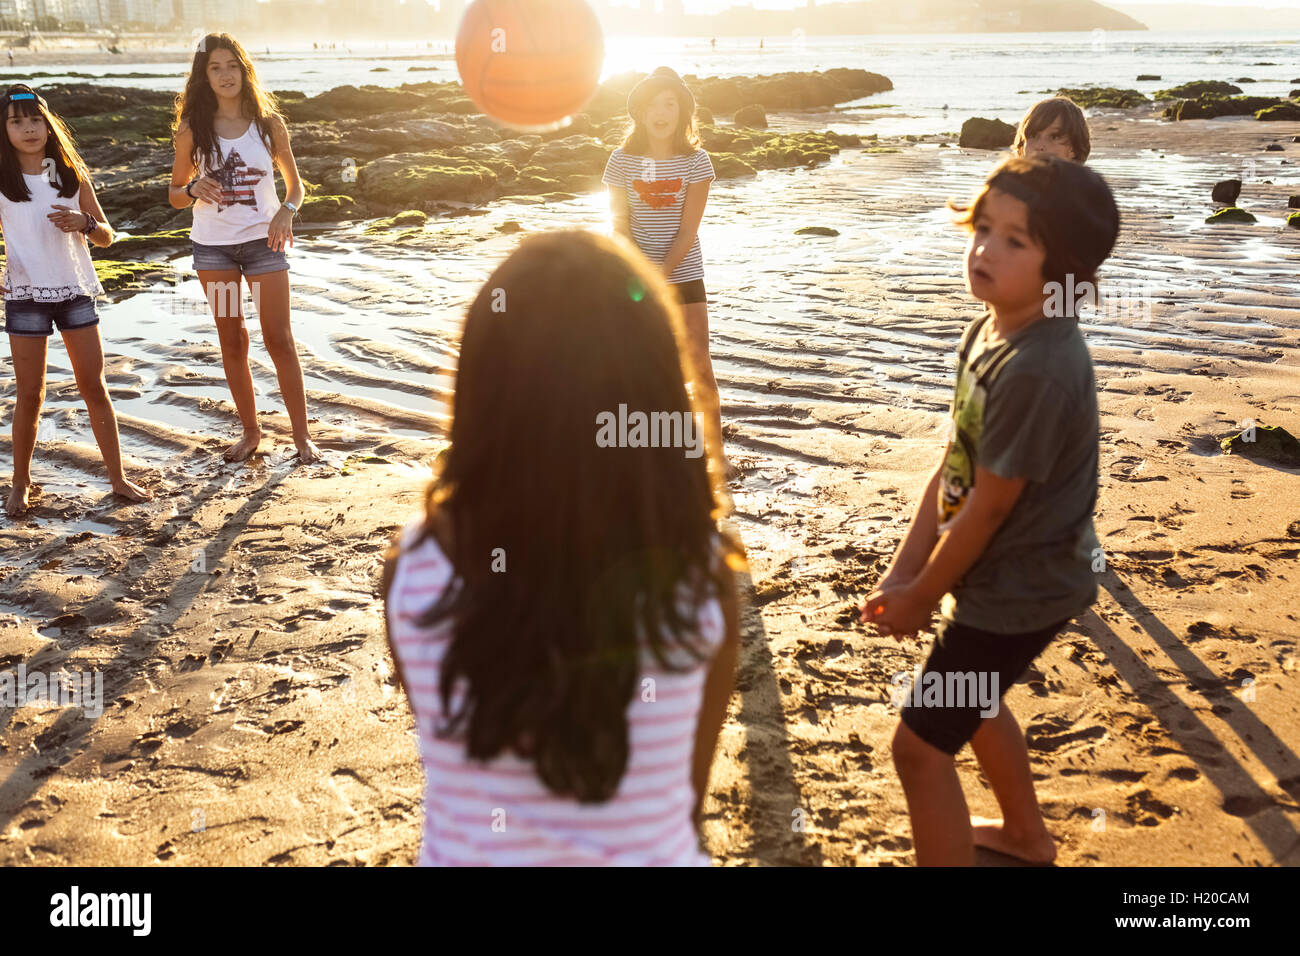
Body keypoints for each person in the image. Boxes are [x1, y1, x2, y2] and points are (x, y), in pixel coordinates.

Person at [382, 229, 743, 866]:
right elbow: (685, 803)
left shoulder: (416, 570)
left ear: (481, 393)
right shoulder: (704, 578)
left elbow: (449, 747)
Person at [861, 155, 1120, 866]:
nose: (985, 250)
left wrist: (923, 596)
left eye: (1016, 240)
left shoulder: (1039, 368)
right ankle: (1026, 838)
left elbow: (987, 510)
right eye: (982, 227)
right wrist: (903, 571)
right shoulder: (990, 330)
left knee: (917, 750)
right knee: (975, 704)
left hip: (1017, 591)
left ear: (1063, 268)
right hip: (993, 579)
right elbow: (955, 465)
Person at [168, 33, 321, 464]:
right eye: (214, 68)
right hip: (212, 250)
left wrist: (287, 210)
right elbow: (175, 194)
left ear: (244, 69)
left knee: (279, 339)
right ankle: (251, 433)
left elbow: (296, 186)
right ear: (204, 75)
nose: (225, 75)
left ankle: (302, 437)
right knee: (231, 339)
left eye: (231, 65)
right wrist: (193, 187)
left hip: (264, 243)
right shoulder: (191, 131)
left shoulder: (269, 125)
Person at [0, 84, 153, 515]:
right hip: (25, 295)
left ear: (48, 125)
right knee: (30, 392)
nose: (29, 129)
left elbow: (107, 235)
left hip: (74, 291)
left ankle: (118, 479)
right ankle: (20, 483)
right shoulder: (2, 179)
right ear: (5, 129)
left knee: (94, 386)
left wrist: (84, 221)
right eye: (17, 122)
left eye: (35, 120)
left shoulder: (69, 174)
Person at [602, 66, 728, 470]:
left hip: (684, 274)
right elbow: (619, 225)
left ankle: (716, 454)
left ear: (683, 111)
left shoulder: (697, 162)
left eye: (670, 103)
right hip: (633, 278)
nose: (661, 112)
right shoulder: (620, 161)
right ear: (638, 111)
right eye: (653, 104)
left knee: (698, 363)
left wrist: (661, 273)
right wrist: (638, 271)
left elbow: (688, 230)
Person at [1013, 95, 1091, 162]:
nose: (1040, 146)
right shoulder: (1007, 178)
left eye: (1054, 137)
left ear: (1074, 148)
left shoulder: (1088, 179)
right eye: (1033, 136)